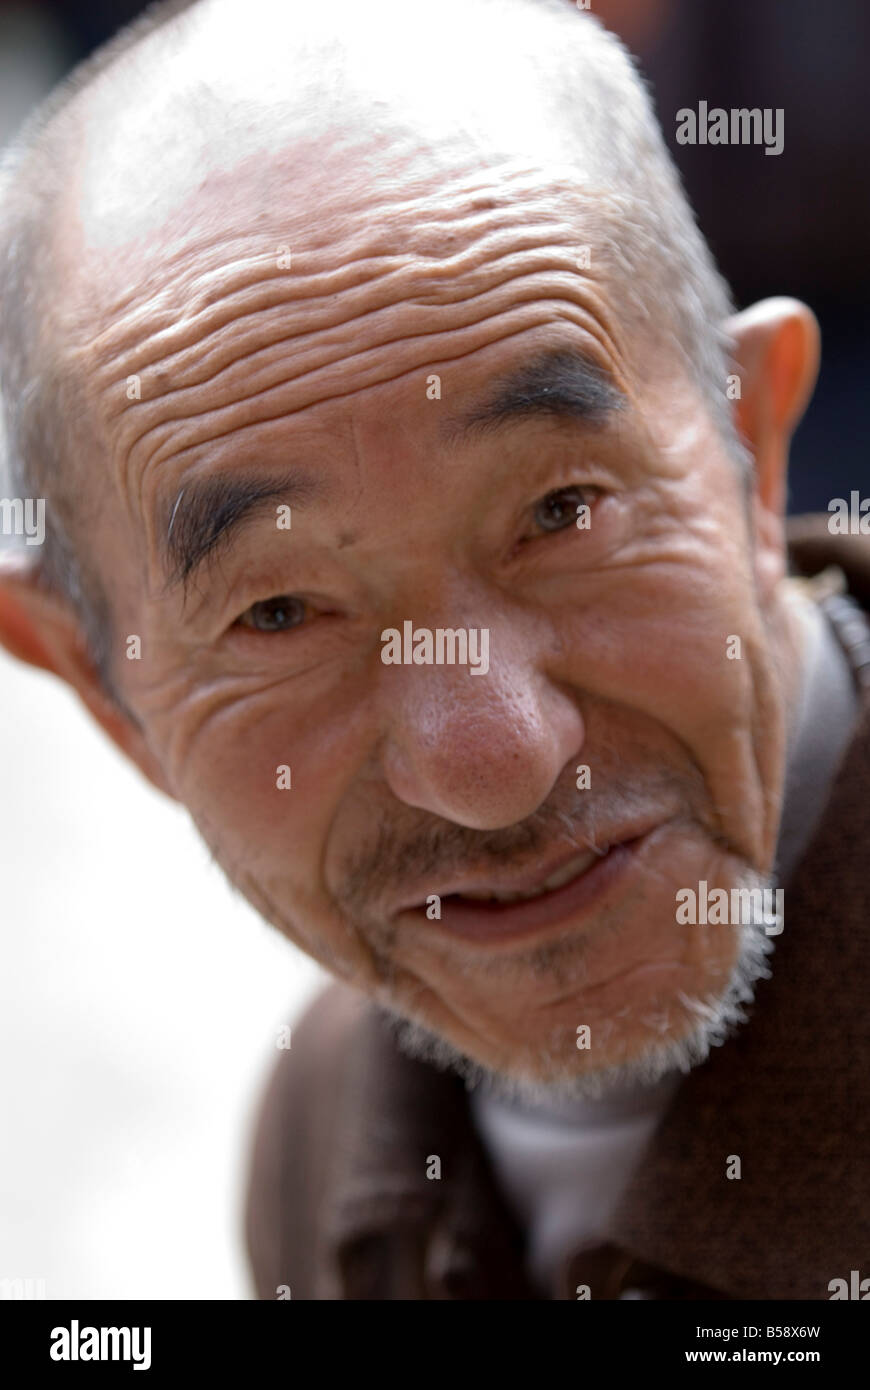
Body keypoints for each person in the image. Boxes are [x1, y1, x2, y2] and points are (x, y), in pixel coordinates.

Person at [0, 0, 866, 1300]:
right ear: (104, 690)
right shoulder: (331, 1136)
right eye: (280, 613)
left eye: (560, 510)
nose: (496, 756)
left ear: (750, 453)